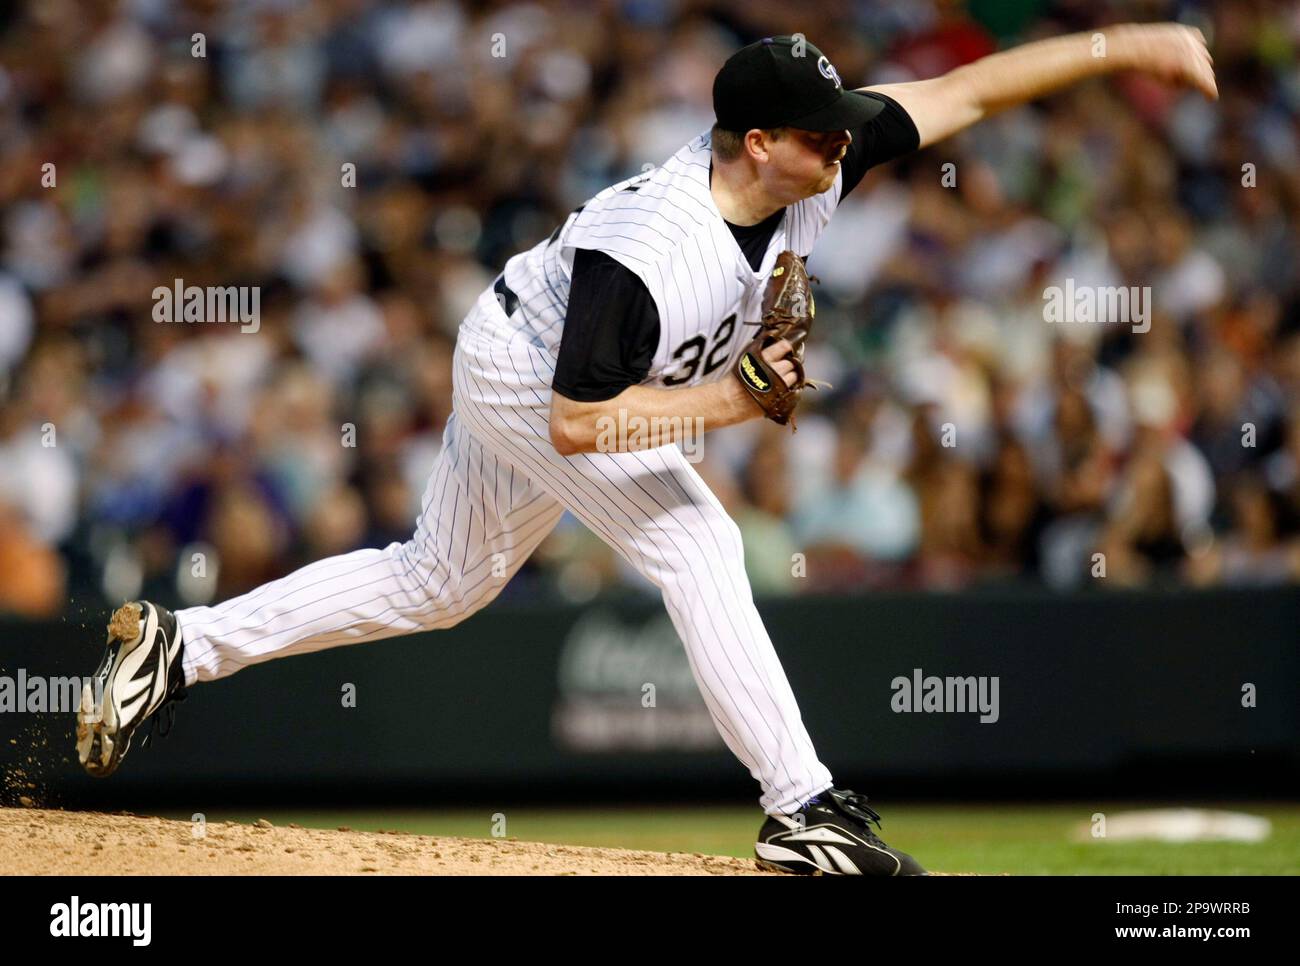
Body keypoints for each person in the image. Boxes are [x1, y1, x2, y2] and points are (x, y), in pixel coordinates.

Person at [76, 27, 1216, 876]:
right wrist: (733, 403)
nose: (845, 136)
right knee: (699, 543)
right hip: (535, 372)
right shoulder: (653, 250)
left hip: (538, 344)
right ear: (759, 142)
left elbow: (967, 88)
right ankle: (802, 810)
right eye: (821, 127)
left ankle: (182, 646)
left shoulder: (804, 165)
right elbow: (578, 424)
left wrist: (1129, 44)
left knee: (441, 582)